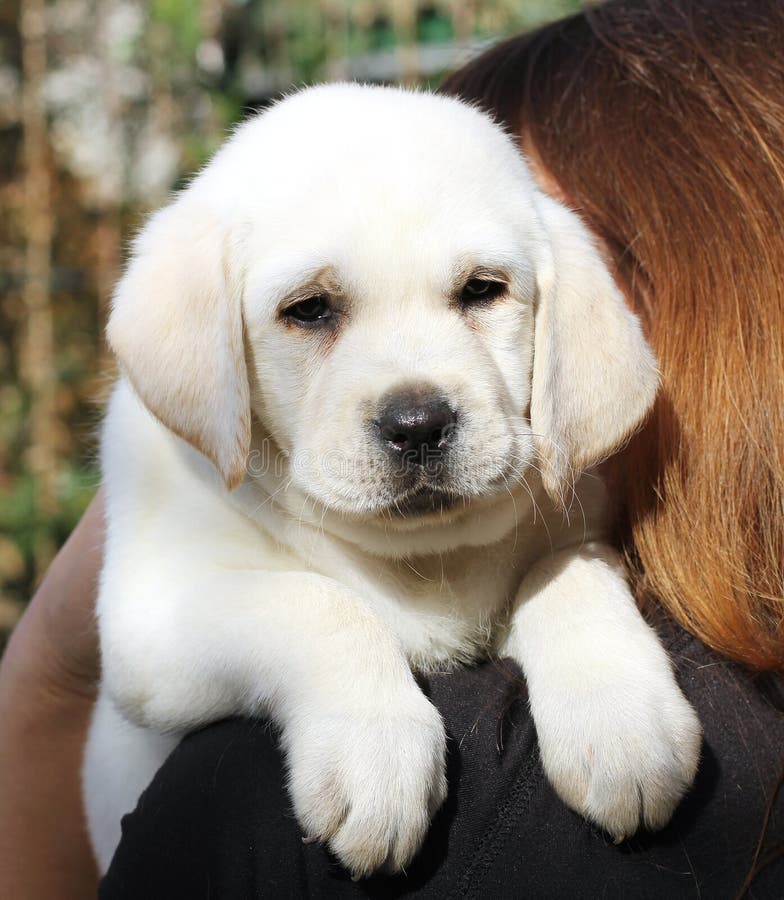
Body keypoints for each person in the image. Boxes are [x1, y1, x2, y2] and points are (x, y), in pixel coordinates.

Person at [1, 0, 782, 896]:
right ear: (215, 347)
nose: (416, 408)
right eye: (312, 311)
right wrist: (328, 657)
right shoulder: (176, 439)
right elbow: (149, 649)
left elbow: (575, 541)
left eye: (480, 290)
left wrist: (579, 610)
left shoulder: (555, 442)